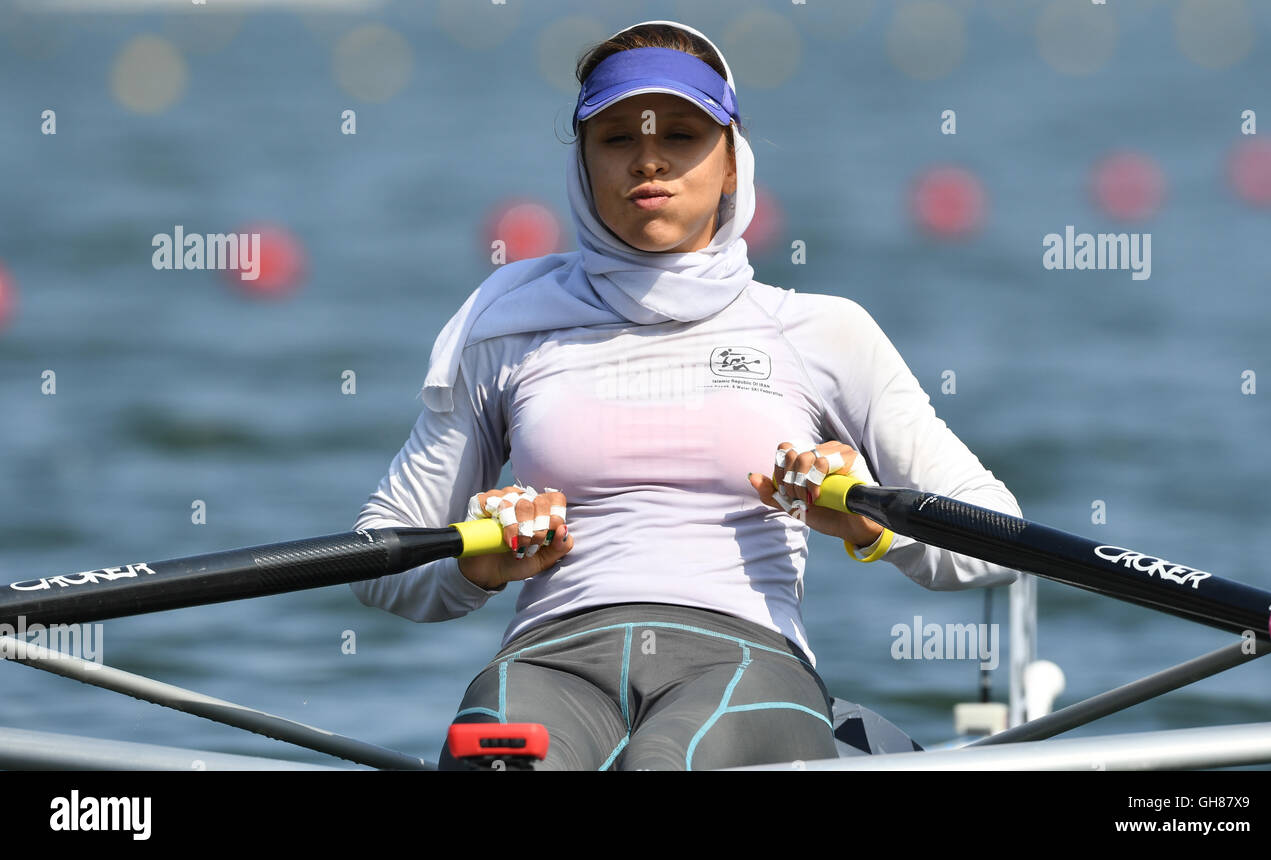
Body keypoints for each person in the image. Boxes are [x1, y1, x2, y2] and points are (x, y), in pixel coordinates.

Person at [350, 20, 1021, 771]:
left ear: (732, 162)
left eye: (681, 133)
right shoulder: (502, 329)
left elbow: (996, 538)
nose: (648, 160)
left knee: (665, 763)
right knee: (500, 759)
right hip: (548, 662)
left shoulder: (823, 332)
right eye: (615, 139)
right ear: (582, 164)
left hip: (742, 658)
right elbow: (385, 563)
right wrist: (477, 566)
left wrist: (866, 516)